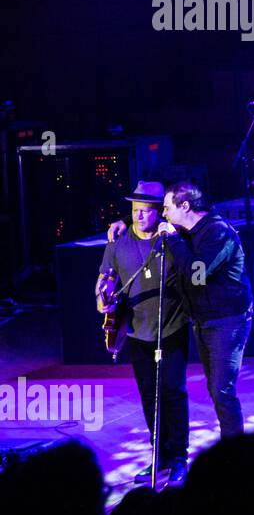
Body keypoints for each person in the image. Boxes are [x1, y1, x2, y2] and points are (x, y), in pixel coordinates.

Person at [116, 181, 253, 437]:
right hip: (204, 320)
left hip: (227, 321)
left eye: (167, 208)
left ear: (185, 206)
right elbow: (148, 216)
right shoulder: (189, 227)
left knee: (222, 390)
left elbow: (195, 274)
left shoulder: (218, 233)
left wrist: (175, 239)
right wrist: (125, 220)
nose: (163, 214)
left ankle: (236, 453)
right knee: (215, 389)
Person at [96, 180, 189, 484]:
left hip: (171, 328)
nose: (138, 217)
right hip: (138, 333)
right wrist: (104, 299)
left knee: (173, 393)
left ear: (158, 213)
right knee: (150, 396)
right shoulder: (117, 241)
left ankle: (178, 457)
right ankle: (158, 454)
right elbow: (105, 281)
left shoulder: (170, 240)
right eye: (135, 211)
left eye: (146, 212)